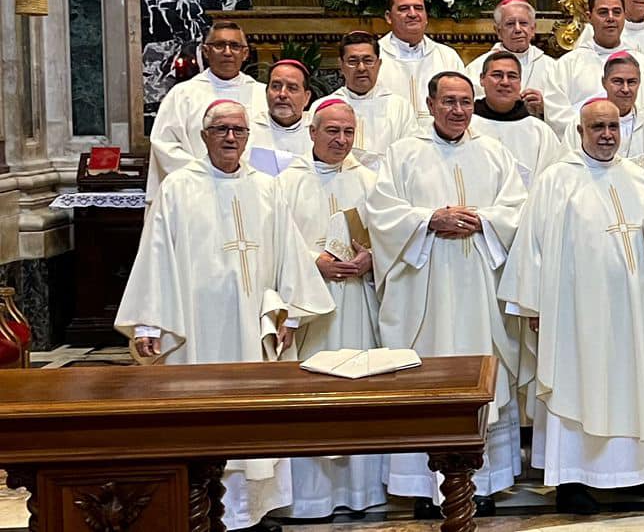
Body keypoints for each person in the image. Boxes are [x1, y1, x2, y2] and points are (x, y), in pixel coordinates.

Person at [116, 99, 332, 531]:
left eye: (238, 130)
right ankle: (201, 506)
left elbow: (290, 254)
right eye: (221, 131)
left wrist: (289, 314)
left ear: (248, 137)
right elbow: (155, 256)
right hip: (199, 327)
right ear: (204, 137)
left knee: (254, 420)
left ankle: (250, 514)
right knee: (204, 418)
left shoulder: (267, 188)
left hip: (255, 327)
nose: (231, 138)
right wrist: (147, 322)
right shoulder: (178, 188)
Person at [500, 97, 644, 516]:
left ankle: (639, 472)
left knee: (636, 382)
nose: (606, 135)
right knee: (579, 384)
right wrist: (534, 307)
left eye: (613, 127)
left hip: (637, 312)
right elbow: (532, 245)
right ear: (579, 132)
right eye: (597, 127)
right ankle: (573, 477)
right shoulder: (557, 180)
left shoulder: (639, 175)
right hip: (577, 316)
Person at [368, 73, 525, 516]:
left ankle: (484, 483)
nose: (458, 110)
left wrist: (484, 220)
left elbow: (517, 208)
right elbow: (381, 210)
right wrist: (428, 220)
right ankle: (421, 486)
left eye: (464, 102)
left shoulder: (494, 152)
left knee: (482, 377)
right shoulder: (403, 153)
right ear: (430, 103)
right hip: (424, 289)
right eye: (448, 102)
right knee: (425, 377)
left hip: (478, 287)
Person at [279, 99, 388, 520]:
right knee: (314, 397)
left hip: (359, 301)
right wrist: (314, 262)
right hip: (310, 309)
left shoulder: (370, 180)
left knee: (362, 392)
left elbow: (388, 234)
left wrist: (373, 257)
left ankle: (362, 492)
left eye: (348, 132)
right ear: (311, 132)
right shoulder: (285, 183)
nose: (341, 140)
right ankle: (311, 498)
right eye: (332, 131)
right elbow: (277, 243)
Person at [145, 20, 267, 197]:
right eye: (219, 45)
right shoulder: (182, 95)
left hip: (252, 191)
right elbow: (164, 145)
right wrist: (206, 174)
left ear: (245, 53)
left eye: (234, 46)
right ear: (205, 51)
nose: (227, 52)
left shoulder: (262, 95)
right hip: (198, 192)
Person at [550, 0, 644, 136]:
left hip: (634, 144)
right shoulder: (568, 65)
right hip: (585, 148)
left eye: (616, 12)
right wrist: (596, 133)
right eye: (603, 12)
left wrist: (627, 132)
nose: (611, 18)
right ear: (589, 17)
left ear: (624, 16)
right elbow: (556, 114)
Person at [573, 53, 644, 190]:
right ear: (604, 83)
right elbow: (569, 174)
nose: (625, 89)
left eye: (631, 82)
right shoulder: (585, 123)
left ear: (639, 83)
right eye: (618, 81)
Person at [327, 30, 415, 165]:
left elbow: (409, 155)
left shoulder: (400, 107)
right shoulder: (326, 107)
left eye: (368, 61)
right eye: (353, 61)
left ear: (379, 64)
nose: (361, 68)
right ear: (341, 65)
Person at [472, 52, 563, 184]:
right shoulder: (466, 125)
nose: (505, 82)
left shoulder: (540, 132)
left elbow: (553, 180)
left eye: (512, 76)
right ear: (482, 79)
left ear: (520, 82)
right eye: (497, 75)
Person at [376, 0, 466, 116]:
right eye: (404, 9)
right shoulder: (374, 57)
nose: (413, 14)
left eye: (418, 8)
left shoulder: (447, 56)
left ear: (426, 16)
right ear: (389, 17)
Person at [466, 0, 556, 109]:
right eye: (510, 24)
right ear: (498, 31)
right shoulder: (477, 67)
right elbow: (469, 105)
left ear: (533, 29)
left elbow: (561, 108)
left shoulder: (552, 67)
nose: (518, 29)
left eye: (523, 23)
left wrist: (545, 108)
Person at [245, 58, 314, 176]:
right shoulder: (248, 130)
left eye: (292, 88)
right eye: (276, 86)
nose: (282, 94)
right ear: (266, 92)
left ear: (306, 97)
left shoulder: (318, 132)